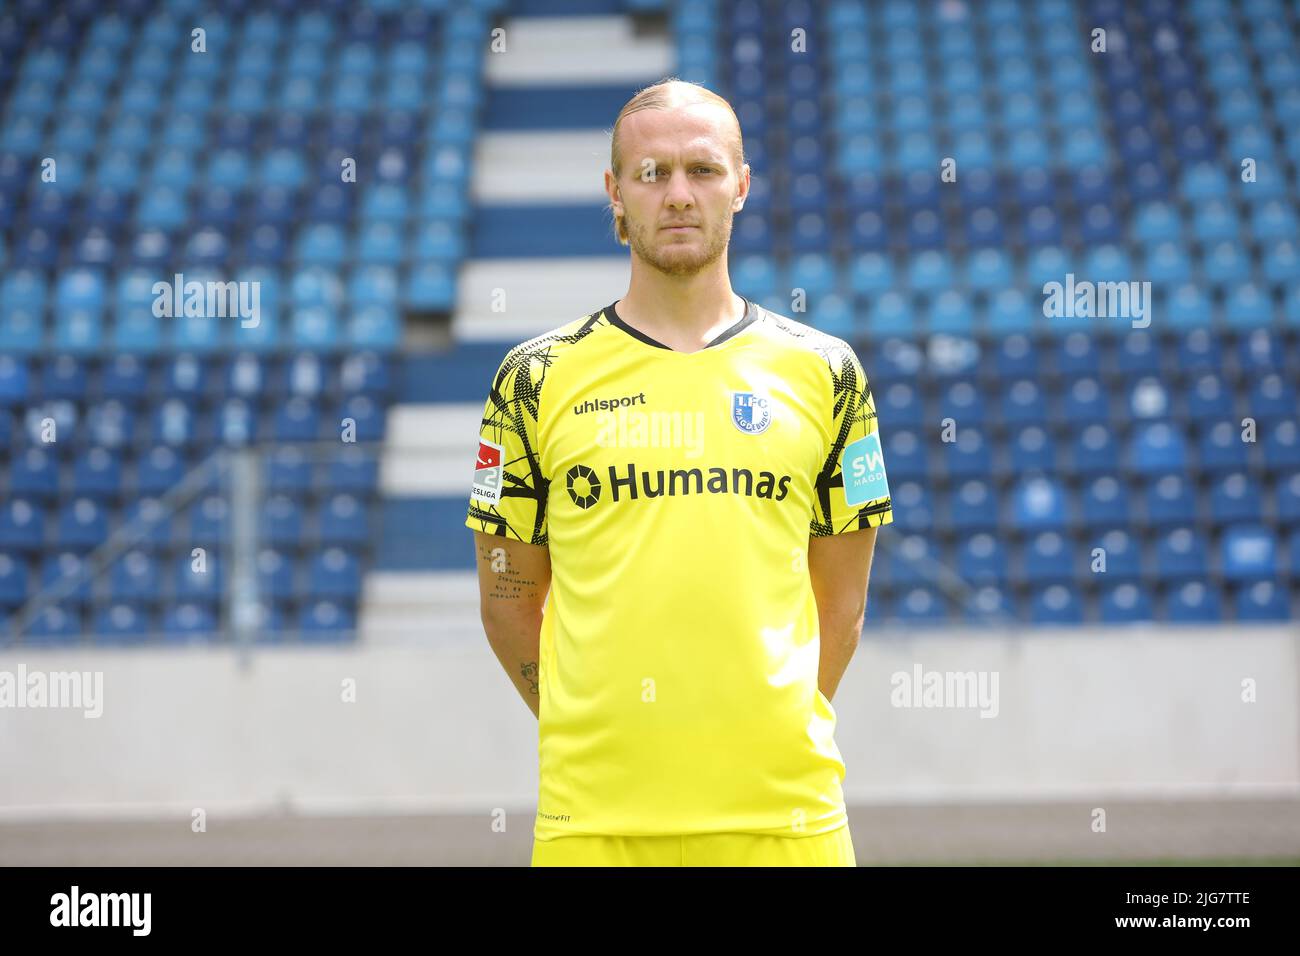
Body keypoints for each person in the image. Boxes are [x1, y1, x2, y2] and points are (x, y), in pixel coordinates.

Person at [465, 78, 892, 867]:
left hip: (787, 823)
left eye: (702, 170)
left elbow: (844, 603)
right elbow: (507, 603)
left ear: (742, 184)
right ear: (615, 194)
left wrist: (757, 727)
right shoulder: (531, 378)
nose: (678, 195)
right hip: (595, 827)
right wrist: (595, 725)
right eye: (651, 174)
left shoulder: (828, 373)